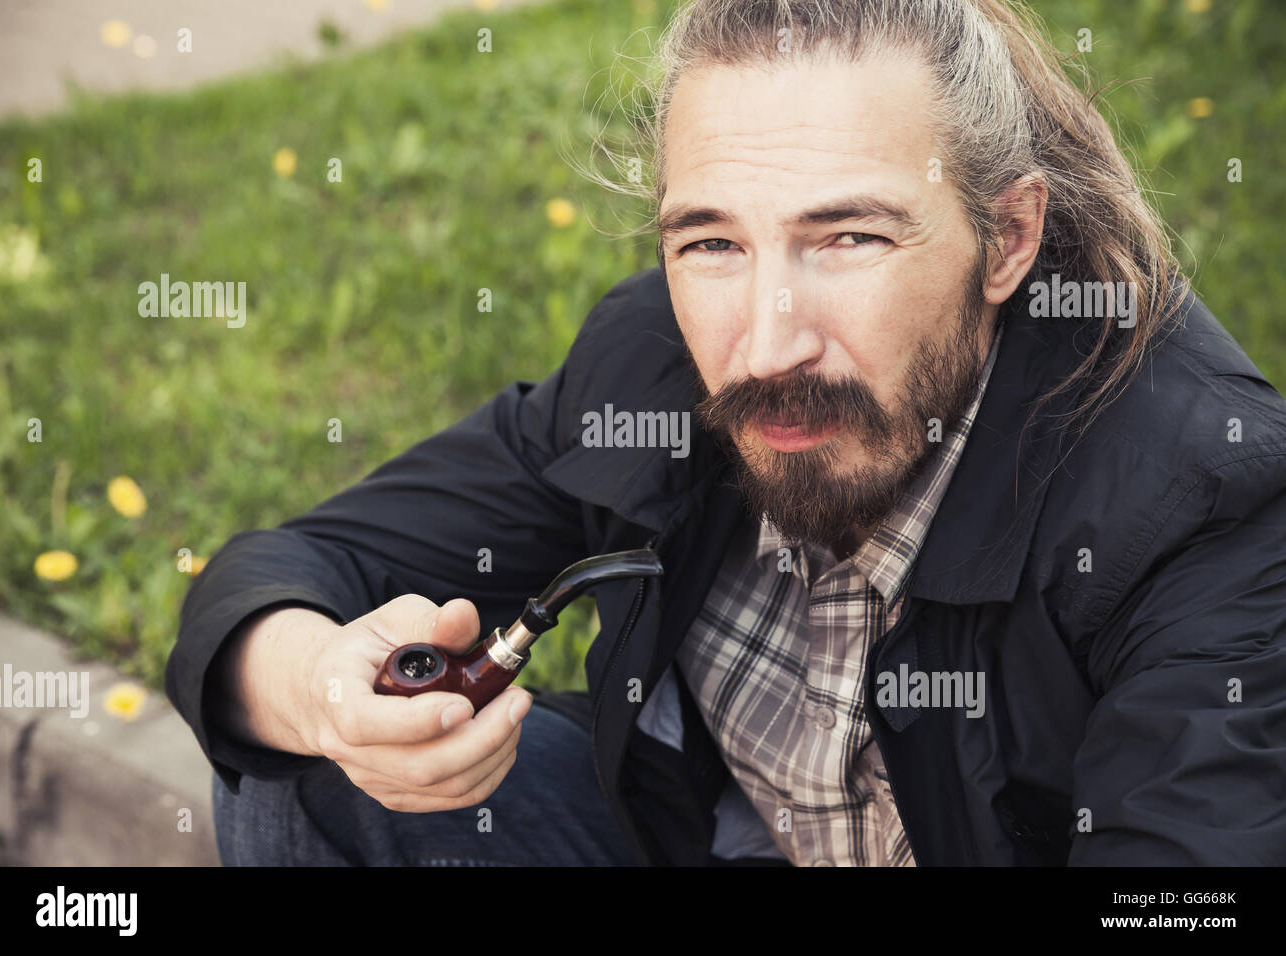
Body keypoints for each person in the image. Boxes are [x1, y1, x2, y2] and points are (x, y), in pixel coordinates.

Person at [166, 0, 1286, 866]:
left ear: (1006, 239)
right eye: (711, 242)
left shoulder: (1196, 495)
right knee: (310, 764)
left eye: (846, 237)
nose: (764, 343)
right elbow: (296, 568)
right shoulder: (656, 356)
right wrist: (326, 691)